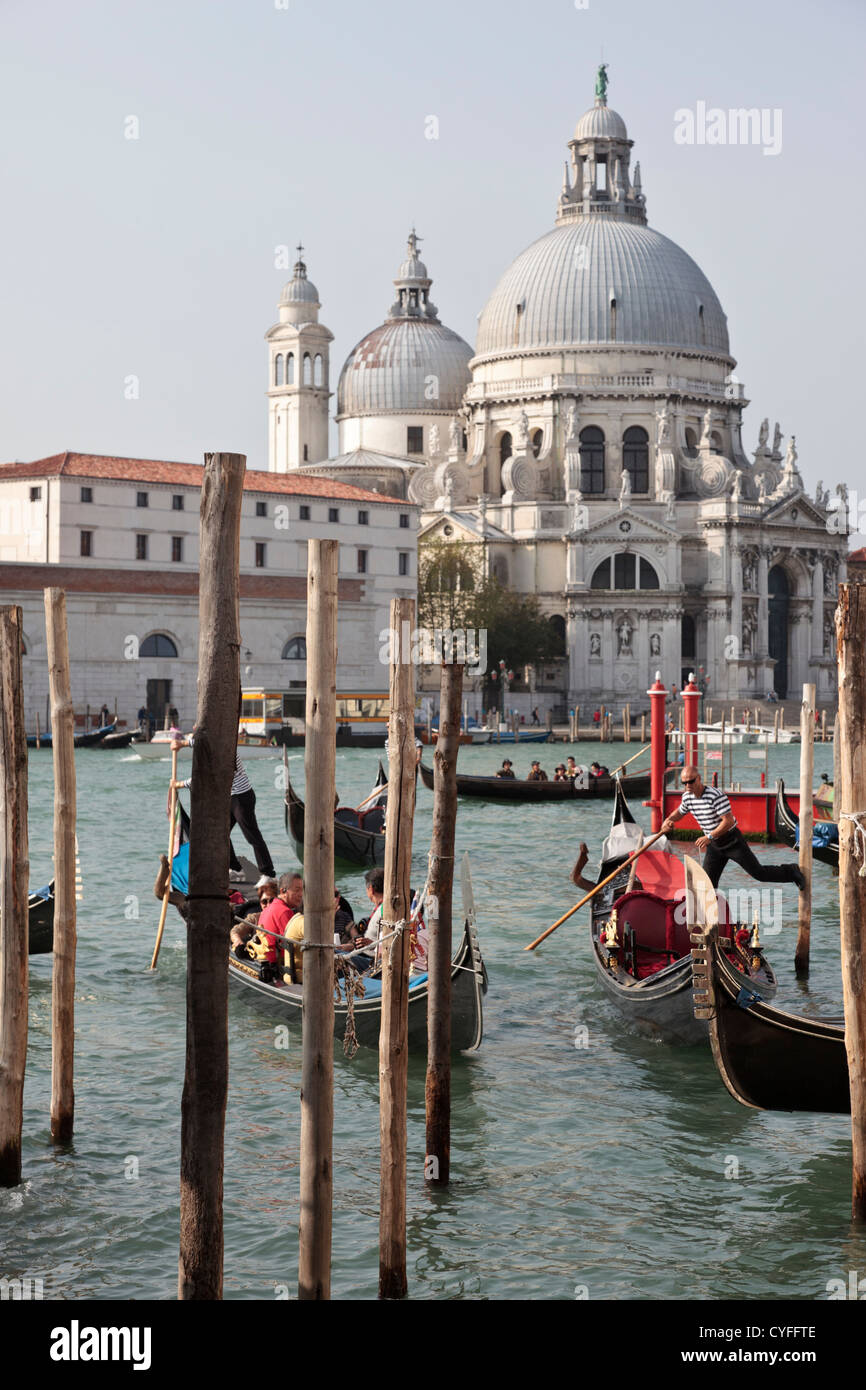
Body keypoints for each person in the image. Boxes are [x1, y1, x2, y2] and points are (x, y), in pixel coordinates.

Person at [661, 765, 807, 891]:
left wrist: (708, 837)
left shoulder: (715, 795)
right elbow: (680, 811)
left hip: (732, 841)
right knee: (708, 885)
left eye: (691, 781)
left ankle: (791, 871)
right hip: (715, 846)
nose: (688, 786)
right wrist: (668, 820)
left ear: (699, 778)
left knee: (759, 874)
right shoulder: (687, 797)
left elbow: (728, 821)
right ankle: (713, 919)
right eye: (684, 783)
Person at [172, 734, 276, 883]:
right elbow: (204, 743)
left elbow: (204, 776)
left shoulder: (226, 751)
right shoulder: (213, 749)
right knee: (220, 832)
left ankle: (268, 874)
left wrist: (180, 784)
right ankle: (235, 868)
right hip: (230, 798)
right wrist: (182, 744)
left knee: (252, 836)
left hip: (242, 797)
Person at [257, 871, 303, 965]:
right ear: (283, 891)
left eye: (302, 890)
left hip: (263, 960)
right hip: (279, 965)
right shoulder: (284, 911)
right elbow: (292, 944)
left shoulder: (267, 909)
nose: (301, 894)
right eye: (297, 890)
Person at [346, 867, 385, 973]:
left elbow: (385, 943)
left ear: (371, 889)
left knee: (336, 956)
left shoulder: (383, 909)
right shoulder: (381, 908)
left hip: (371, 960)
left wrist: (370, 944)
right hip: (367, 954)